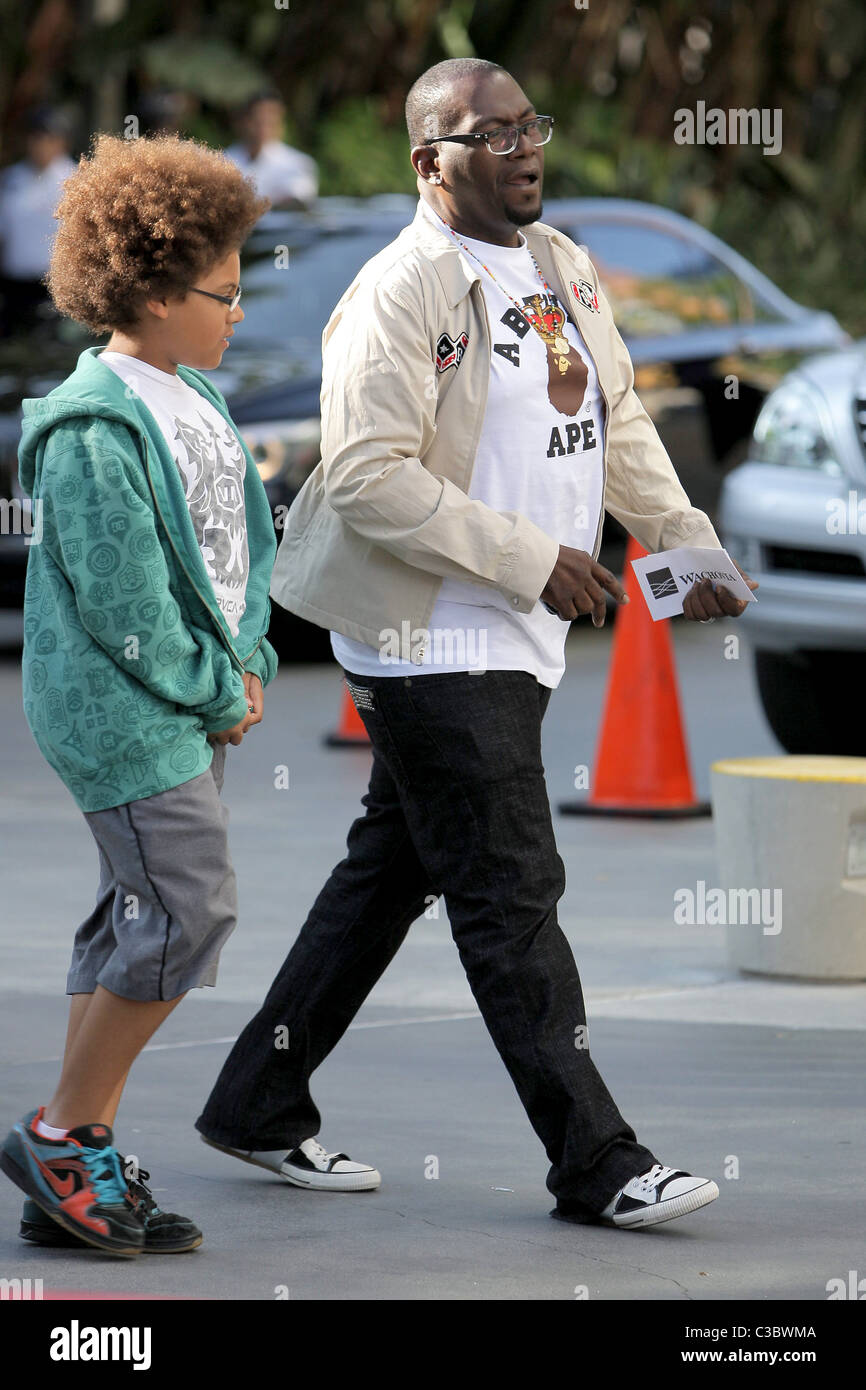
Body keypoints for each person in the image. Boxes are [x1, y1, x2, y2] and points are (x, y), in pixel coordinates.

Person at [195, 58, 758, 1230]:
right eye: (487, 135)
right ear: (428, 162)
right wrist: (524, 556)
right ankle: (595, 1159)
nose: (521, 149)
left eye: (526, 127)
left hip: (512, 632)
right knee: (508, 891)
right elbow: (360, 473)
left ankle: (257, 1096)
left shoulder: (559, 267)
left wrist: (683, 544)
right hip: (430, 634)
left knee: (389, 874)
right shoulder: (400, 288)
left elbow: (618, 419)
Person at [0, 133, 278, 1257]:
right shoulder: (89, 426)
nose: (239, 312)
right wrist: (218, 686)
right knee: (187, 909)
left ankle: (83, 1161)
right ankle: (60, 1132)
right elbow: (127, 607)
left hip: (193, 697)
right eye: (224, 292)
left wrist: (249, 658)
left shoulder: (188, 391)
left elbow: (234, 550)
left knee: (134, 912)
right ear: (156, 294)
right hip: (129, 710)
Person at [0, 107, 76, 336]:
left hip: (57, 288)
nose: (41, 145)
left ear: (61, 141)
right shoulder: (11, 179)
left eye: (48, 137)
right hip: (15, 287)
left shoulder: (74, 179)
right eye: (36, 137)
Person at [225, 92, 318, 210]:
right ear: (242, 122)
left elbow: (298, 200)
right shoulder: (224, 160)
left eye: (270, 121)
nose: (263, 127)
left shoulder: (299, 163)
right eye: (258, 120)